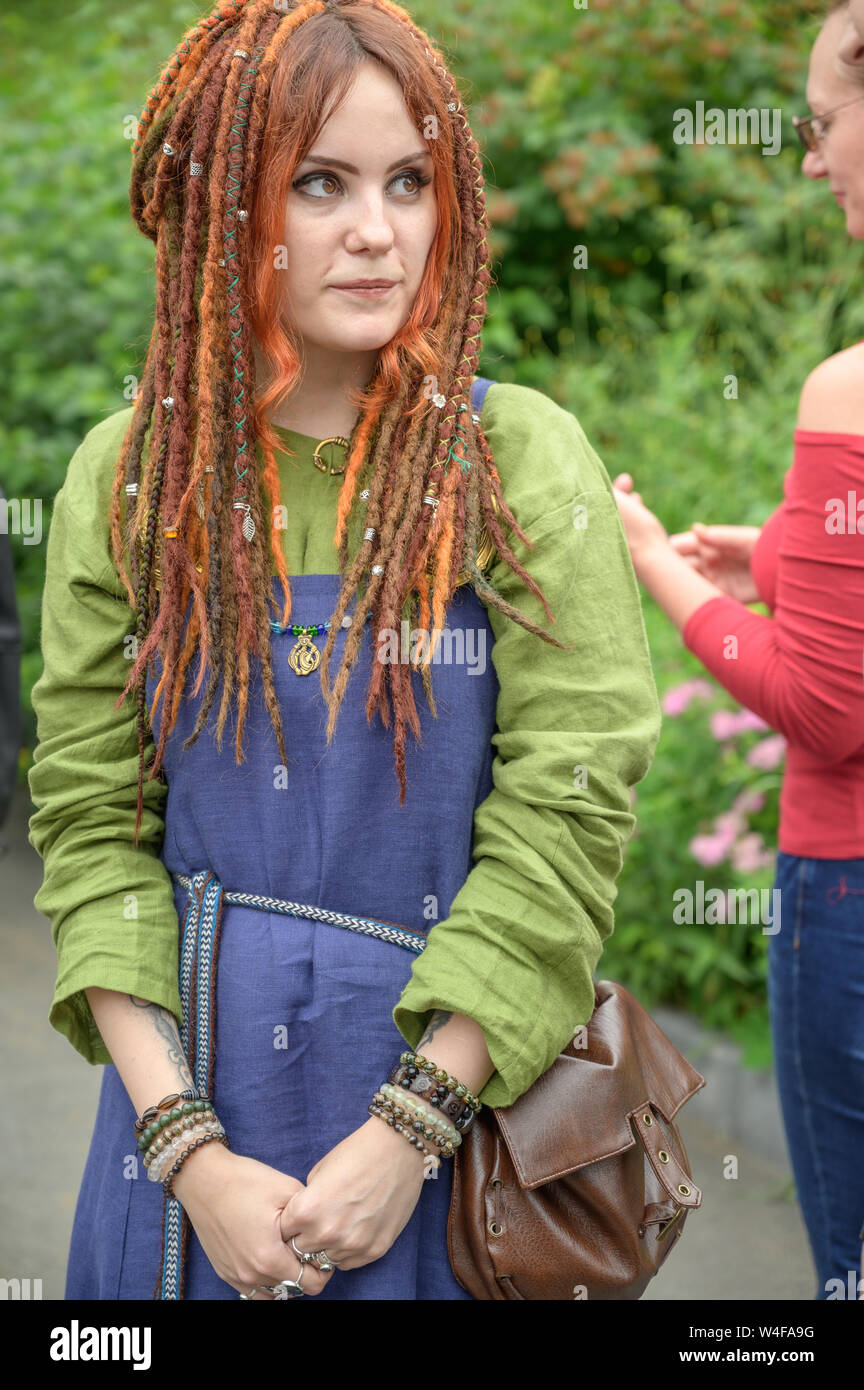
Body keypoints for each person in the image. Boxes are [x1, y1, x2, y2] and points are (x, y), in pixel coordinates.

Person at [28, 0, 660, 1301]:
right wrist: (188, 1152)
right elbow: (91, 826)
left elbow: (571, 803)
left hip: (449, 1135)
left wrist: (410, 1127)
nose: (380, 231)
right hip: (186, 1131)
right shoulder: (129, 478)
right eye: (320, 184)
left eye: (410, 181)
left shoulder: (517, 459)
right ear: (224, 212)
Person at [612, 0, 864, 1300]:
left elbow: (824, 706)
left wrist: (654, 560)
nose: (813, 159)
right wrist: (772, 556)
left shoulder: (850, 388)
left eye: (824, 123)